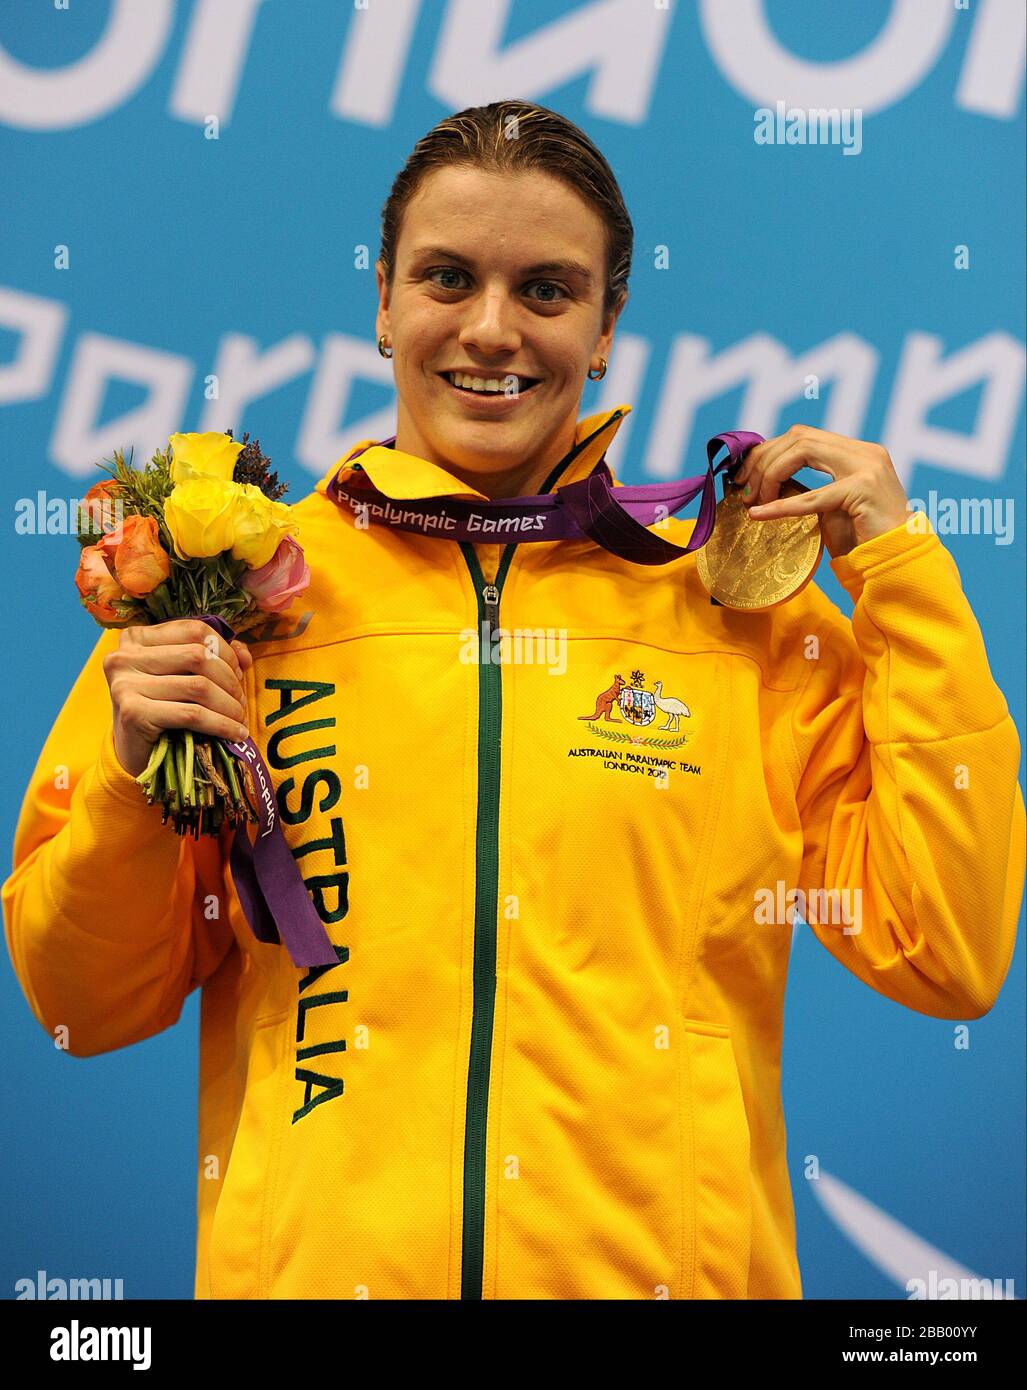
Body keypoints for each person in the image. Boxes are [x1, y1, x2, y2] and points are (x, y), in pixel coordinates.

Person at [3, 100, 1024, 1302]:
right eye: (447, 277)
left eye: (546, 289)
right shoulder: (229, 593)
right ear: (381, 300)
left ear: (605, 328)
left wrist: (899, 576)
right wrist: (131, 786)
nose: (491, 329)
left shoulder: (737, 614)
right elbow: (83, 1002)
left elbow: (946, 954)